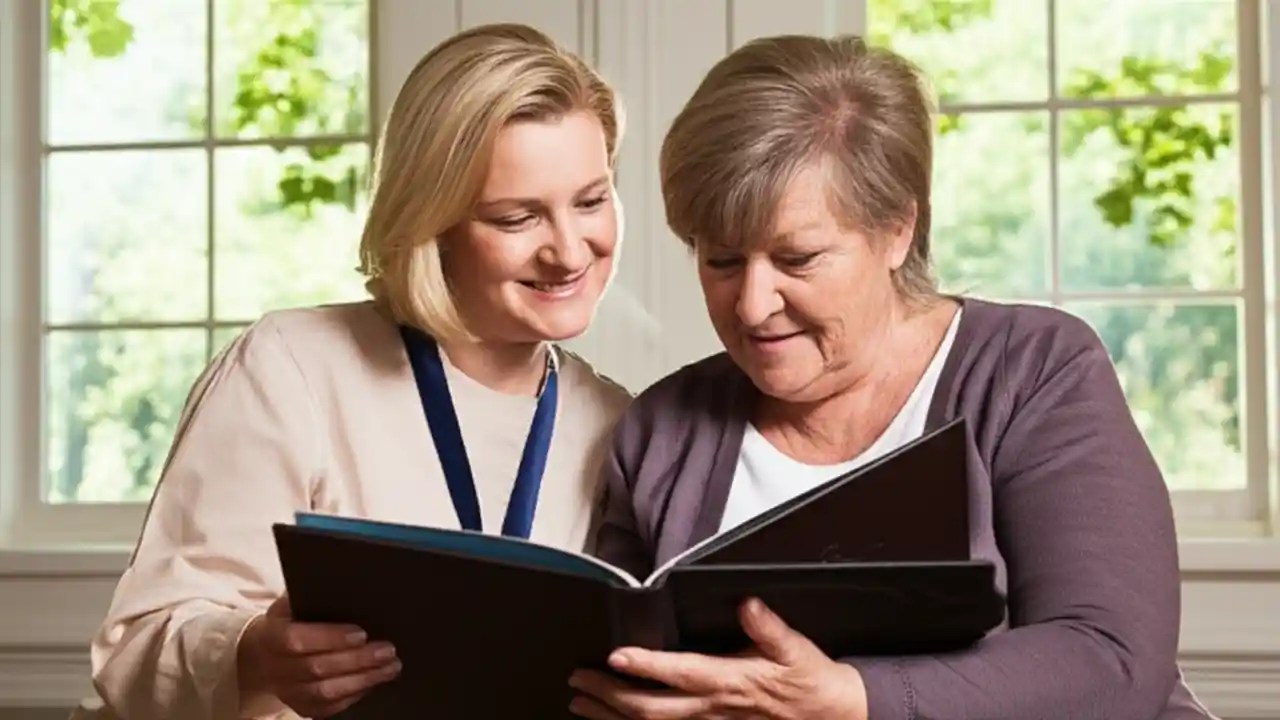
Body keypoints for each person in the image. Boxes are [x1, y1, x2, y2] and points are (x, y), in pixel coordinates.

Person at [572, 34, 1218, 720]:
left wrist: (855, 700)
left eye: (798, 258)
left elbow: (1110, 663)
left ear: (898, 229)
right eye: (722, 261)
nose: (753, 305)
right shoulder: (662, 431)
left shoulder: (1034, 371)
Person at [83, 23, 631, 720]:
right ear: (431, 221)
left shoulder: (616, 420)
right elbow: (134, 650)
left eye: (590, 200)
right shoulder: (292, 369)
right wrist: (254, 652)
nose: (569, 251)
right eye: (517, 217)